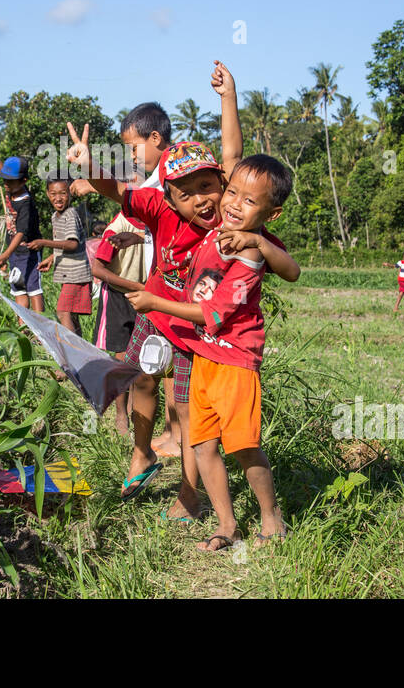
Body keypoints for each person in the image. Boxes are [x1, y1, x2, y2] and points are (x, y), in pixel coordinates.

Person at [126, 154, 298, 552]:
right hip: (205, 357)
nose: (235, 204)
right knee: (202, 445)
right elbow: (231, 154)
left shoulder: (252, 253)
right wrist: (227, 96)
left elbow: (212, 312)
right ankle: (226, 525)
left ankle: (272, 519)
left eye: (249, 201)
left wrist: (155, 302)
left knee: (242, 445)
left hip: (234, 361)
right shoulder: (219, 226)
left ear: (271, 215)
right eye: (232, 192)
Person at [90, 209, 150, 434]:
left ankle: (138, 409)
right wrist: (134, 286)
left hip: (144, 294)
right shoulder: (116, 228)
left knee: (142, 356)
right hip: (118, 294)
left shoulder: (153, 225)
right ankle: (121, 413)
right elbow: (97, 268)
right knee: (123, 357)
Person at [0, 142, 43, 312]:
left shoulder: (25, 203)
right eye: (5, 179)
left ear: (24, 181)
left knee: (33, 290)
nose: (6, 183)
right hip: (15, 253)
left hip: (29, 252)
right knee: (18, 290)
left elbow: (21, 233)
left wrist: (5, 255)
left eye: (11, 180)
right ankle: (23, 330)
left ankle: (40, 332)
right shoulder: (12, 188)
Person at [27, 174, 92, 337]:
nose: (58, 198)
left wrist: (44, 242)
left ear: (70, 192)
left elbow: (72, 244)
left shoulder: (69, 215)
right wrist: (51, 258)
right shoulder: (56, 217)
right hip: (68, 274)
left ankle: (72, 353)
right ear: (48, 194)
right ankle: (83, 354)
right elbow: (64, 245)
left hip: (75, 274)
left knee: (63, 312)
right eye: (53, 194)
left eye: (63, 193)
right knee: (71, 316)